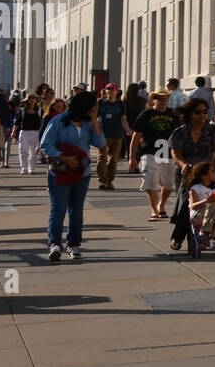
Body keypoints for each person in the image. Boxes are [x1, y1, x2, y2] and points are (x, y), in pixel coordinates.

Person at [39, 90, 104, 261]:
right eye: (92, 107)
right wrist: (63, 157)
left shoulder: (88, 123)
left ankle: (73, 244)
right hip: (60, 172)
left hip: (82, 173)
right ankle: (54, 244)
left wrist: (95, 120)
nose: (94, 110)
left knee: (77, 211)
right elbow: (45, 145)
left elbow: (101, 143)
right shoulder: (58, 121)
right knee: (58, 209)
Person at [168, 99, 215, 250]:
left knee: (213, 198)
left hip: (207, 173)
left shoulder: (214, 131)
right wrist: (183, 164)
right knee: (186, 205)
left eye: (205, 112)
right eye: (198, 112)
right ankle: (181, 237)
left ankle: (203, 235)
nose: (202, 115)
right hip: (187, 172)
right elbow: (175, 153)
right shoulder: (180, 132)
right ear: (189, 114)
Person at [128, 89, 178, 221]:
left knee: (168, 183)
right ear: (153, 100)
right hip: (149, 151)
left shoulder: (173, 114)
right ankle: (154, 210)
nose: (162, 102)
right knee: (150, 180)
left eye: (165, 99)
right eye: (159, 99)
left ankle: (161, 204)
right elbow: (136, 135)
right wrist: (132, 157)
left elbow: (179, 135)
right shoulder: (146, 114)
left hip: (167, 152)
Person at [94, 83, 131, 190]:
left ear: (116, 91)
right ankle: (102, 180)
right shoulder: (100, 102)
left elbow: (123, 119)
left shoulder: (120, 104)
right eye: (108, 90)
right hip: (103, 134)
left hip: (117, 134)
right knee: (102, 157)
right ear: (105, 91)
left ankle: (110, 181)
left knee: (113, 159)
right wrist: (96, 128)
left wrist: (128, 129)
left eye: (112, 90)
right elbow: (95, 116)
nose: (110, 92)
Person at [11, 93, 43, 173]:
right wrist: (13, 132)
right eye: (30, 99)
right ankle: (24, 168)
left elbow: (42, 122)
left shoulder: (39, 110)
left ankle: (31, 168)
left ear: (36, 100)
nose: (32, 101)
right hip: (24, 132)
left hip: (35, 132)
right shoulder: (22, 110)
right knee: (23, 150)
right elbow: (17, 122)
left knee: (33, 152)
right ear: (27, 100)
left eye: (33, 99)